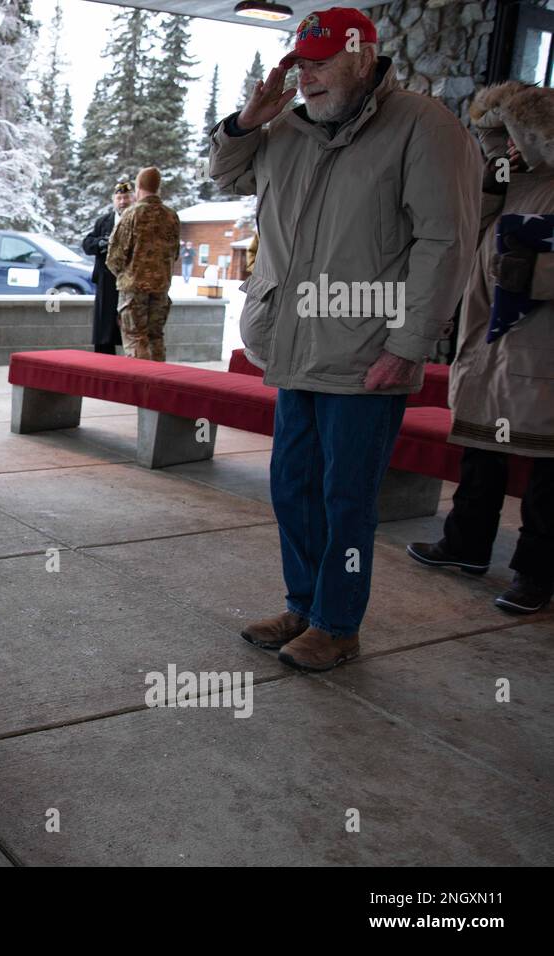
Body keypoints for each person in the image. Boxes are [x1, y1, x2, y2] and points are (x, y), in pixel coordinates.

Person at [210, 7, 481, 670]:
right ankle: (304, 605)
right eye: (300, 63)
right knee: (291, 488)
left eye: (322, 61)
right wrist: (247, 122)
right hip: (293, 344)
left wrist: (409, 343)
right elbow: (225, 176)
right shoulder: (284, 129)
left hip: (368, 354)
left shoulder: (424, 126)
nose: (307, 77)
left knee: (346, 497)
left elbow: (444, 242)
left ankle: (338, 622)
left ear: (364, 58)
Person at [407, 81, 554, 614]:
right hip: (487, 343)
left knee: (546, 472)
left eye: (513, 137)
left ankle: (536, 575)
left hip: (539, 350)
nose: (507, 149)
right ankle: (465, 543)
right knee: (481, 452)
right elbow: (469, 230)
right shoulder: (508, 184)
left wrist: (534, 272)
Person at [105, 166, 181, 361]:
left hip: (134, 291)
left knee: (135, 339)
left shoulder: (131, 215)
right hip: (161, 289)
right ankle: (158, 387)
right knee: (156, 338)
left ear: (138, 187)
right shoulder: (171, 216)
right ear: (158, 187)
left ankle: (140, 388)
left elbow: (114, 257)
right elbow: (175, 253)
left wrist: (128, 275)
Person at [82, 179, 134, 354]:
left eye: (126, 197)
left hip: (129, 281)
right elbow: (87, 244)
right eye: (119, 198)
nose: (122, 202)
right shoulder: (104, 222)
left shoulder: (138, 221)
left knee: (129, 328)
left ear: (133, 198)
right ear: (113, 200)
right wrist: (101, 243)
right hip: (106, 281)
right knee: (104, 330)